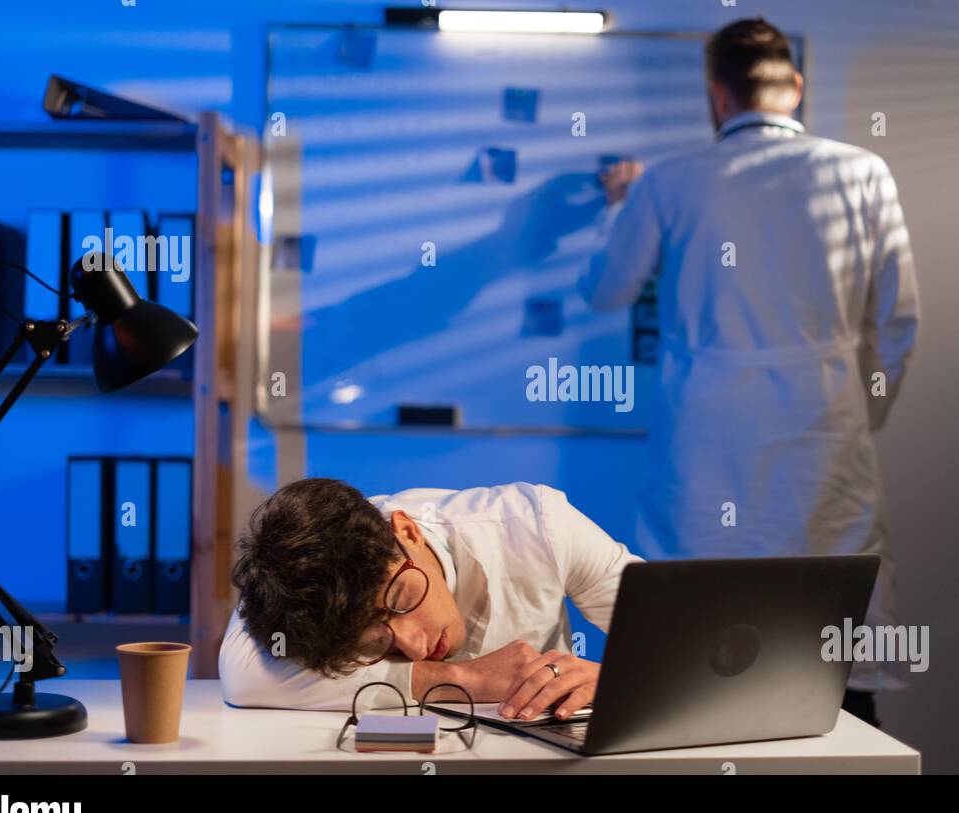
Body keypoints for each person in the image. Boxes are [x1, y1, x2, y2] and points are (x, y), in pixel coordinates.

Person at [577, 18, 921, 726]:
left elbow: (605, 287)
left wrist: (619, 208)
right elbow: (898, 322)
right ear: (794, 87)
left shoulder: (671, 181)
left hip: (705, 437)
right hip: (824, 433)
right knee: (835, 638)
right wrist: (861, 412)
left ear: (717, 96)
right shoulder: (861, 173)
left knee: (696, 644)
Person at [219, 478, 640, 721]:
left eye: (400, 598)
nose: (415, 646)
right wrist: (461, 679)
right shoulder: (293, 581)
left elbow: (695, 635)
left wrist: (612, 681)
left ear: (407, 532)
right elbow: (243, 675)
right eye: (373, 644)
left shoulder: (536, 527)